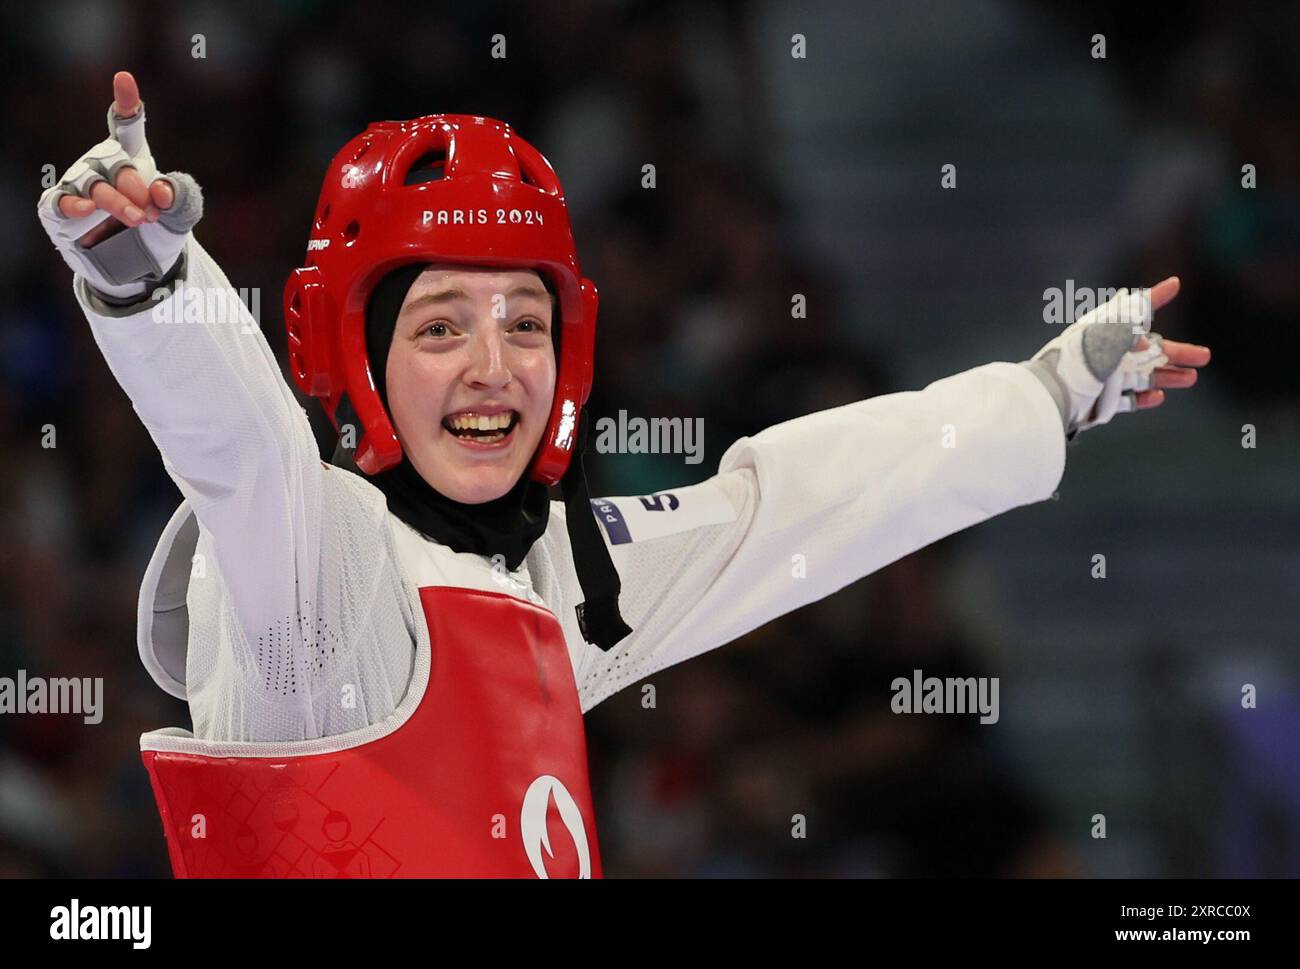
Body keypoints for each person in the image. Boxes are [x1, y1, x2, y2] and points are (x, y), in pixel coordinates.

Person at [37, 71, 1211, 878]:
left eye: (525, 324)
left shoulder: (557, 579)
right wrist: (149, 286)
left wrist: (1046, 395)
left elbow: (786, 506)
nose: (495, 369)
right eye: (441, 327)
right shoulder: (314, 576)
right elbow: (240, 449)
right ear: (353, 354)